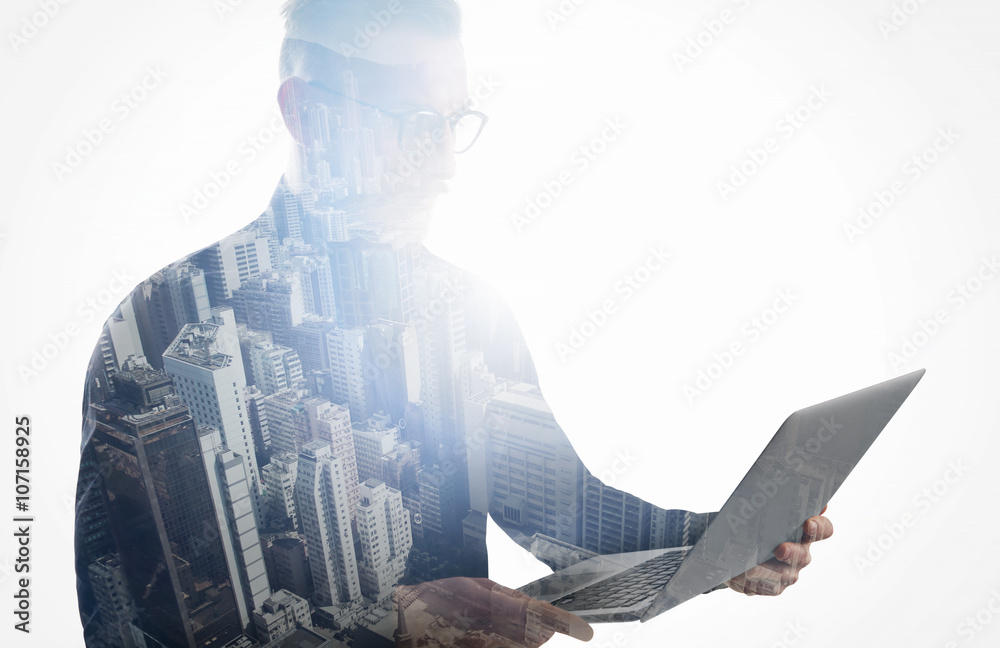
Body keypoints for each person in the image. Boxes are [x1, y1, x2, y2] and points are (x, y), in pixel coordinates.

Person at [75, 2, 832, 646]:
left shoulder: (469, 311)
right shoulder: (157, 329)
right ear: (304, 113)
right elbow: (131, 626)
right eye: (411, 122)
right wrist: (395, 626)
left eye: (451, 122)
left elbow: (565, 516)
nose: (442, 165)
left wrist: (731, 541)